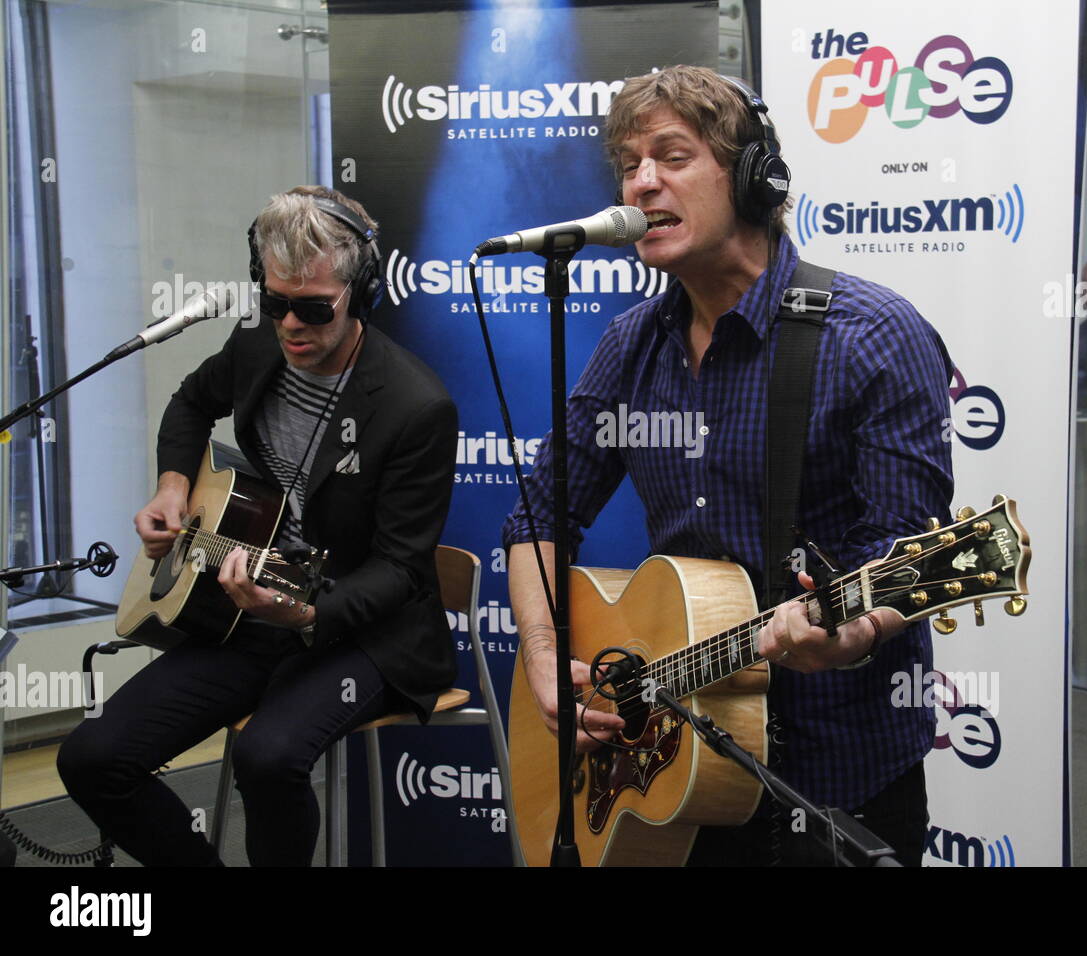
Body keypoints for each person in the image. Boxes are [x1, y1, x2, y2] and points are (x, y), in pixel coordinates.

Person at [502, 66, 954, 866]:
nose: (641, 184)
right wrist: (543, 655)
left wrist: (853, 630)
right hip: (671, 776)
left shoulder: (871, 335)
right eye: (629, 164)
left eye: (672, 157)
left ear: (754, 176)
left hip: (834, 778)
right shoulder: (630, 345)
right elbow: (541, 513)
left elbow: (906, 555)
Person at [58, 186, 459, 866]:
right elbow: (190, 404)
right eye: (276, 303)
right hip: (249, 616)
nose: (291, 325)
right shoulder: (254, 345)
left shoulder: (416, 407)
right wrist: (173, 487)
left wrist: (303, 614)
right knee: (93, 758)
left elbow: (399, 570)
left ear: (359, 294)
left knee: (267, 756)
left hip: (364, 634)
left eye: (312, 308)